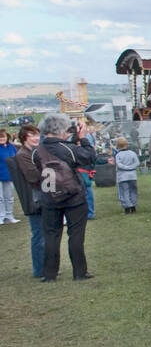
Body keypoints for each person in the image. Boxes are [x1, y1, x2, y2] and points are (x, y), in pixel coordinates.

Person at [34, 112, 96, 281]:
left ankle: (49, 274)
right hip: (73, 197)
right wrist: (83, 139)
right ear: (61, 129)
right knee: (75, 235)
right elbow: (90, 157)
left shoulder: (37, 151)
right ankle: (79, 271)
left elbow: (35, 173)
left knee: (51, 236)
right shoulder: (68, 149)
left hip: (49, 198)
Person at [6, 124, 45, 276]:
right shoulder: (23, 154)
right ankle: (40, 269)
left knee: (44, 234)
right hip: (34, 199)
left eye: (37, 135)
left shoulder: (35, 151)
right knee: (38, 235)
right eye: (32, 135)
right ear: (24, 138)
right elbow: (33, 176)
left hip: (41, 195)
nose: (36, 138)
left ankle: (45, 265)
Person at [109, 135, 141, 213]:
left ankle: (127, 207)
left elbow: (119, 165)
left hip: (122, 176)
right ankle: (133, 206)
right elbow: (137, 162)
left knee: (124, 192)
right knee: (133, 191)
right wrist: (131, 167)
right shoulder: (132, 153)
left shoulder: (118, 155)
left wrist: (126, 167)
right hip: (132, 176)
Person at [77, 119, 98, 219]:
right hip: (85, 167)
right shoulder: (88, 136)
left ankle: (89, 212)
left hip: (83, 167)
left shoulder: (86, 137)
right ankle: (88, 211)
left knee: (86, 190)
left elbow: (89, 153)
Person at [0, 128, 17, 223]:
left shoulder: (11, 147)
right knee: (0, 198)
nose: (2, 138)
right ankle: (1, 216)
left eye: (3, 136)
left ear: (7, 137)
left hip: (9, 175)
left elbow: (16, 157)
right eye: (0, 137)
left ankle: (9, 215)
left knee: (9, 197)